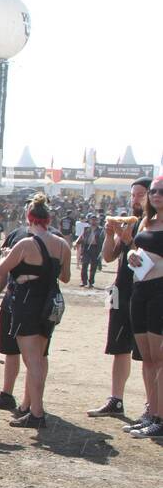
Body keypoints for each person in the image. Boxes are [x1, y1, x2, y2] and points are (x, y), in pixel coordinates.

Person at [0, 194, 70, 428]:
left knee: (32, 362)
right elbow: (66, 276)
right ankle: (32, 407)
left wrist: (10, 258)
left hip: (27, 300)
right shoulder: (61, 244)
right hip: (49, 302)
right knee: (40, 358)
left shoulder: (25, 243)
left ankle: (37, 412)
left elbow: (0, 268)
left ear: (29, 218)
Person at [90, 179, 150, 420]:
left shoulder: (154, 225)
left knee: (148, 353)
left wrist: (128, 240)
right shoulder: (128, 221)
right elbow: (108, 256)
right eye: (133, 194)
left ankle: (152, 404)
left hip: (146, 293)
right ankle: (116, 400)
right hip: (120, 290)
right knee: (118, 347)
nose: (135, 199)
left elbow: (148, 257)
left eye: (140, 195)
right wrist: (110, 235)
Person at [124, 178, 163, 437]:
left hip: (161, 291)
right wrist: (130, 255)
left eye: (162, 191)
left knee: (160, 358)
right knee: (146, 357)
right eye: (154, 191)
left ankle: (160, 418)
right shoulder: (146, 221)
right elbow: (134, 249)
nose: (157, 195)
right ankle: (151, 411)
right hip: (139, 290)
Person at [77, 215, 105, 288]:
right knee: (84, 265)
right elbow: (82, 237)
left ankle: (91, 282)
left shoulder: (101, 230)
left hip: (95, 249)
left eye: (95, 220)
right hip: (86, 248)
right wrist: (78, 242)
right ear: (89, 221)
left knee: (93, 266)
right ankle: (84, 281)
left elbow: (103, 239)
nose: (93, 221)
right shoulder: (86, 229)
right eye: (92, 220)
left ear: (97, 221)